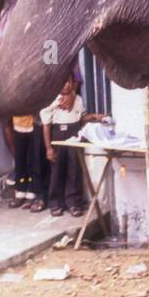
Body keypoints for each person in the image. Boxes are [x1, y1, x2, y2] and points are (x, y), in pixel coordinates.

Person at [41, 78, 105, 217]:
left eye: (69, 82)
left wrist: (94, 116)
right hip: (57, 135)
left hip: (74, 133)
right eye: (63, 82)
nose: (67, 84)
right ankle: (56, 203)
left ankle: (74, 203)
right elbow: (46, 126)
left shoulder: (78, 99)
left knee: (74, 169)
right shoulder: (51, 101)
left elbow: (81, 118)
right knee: (57, 169)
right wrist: (49, 148)